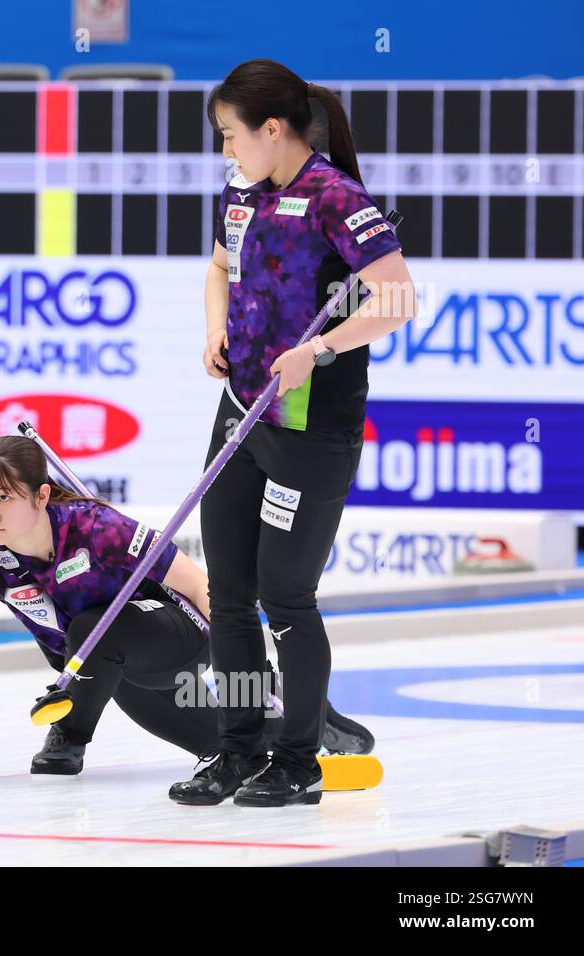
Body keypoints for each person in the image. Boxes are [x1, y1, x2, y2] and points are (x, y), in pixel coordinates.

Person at [175, 59, 416, 807]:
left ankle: (299, 759)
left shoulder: (335, 199)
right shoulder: (241, 193)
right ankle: (237, 749)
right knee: (229, 596)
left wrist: (320, 348)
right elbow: (218, 267)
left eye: (230, 136)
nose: (226, 151)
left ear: (272, 129)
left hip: (311, 428)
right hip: (240, 416)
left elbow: (399, 298)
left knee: (287, 599)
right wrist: (215, 328)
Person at [0, 436, 374, 780]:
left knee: (90, 627)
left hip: (181, 634)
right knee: (232, 746)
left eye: (3, 496)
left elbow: (203, 589)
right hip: (112, 670)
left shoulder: (96, 527)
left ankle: (70, 734)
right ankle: (300, 724)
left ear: (40, 495)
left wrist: (254, 674)